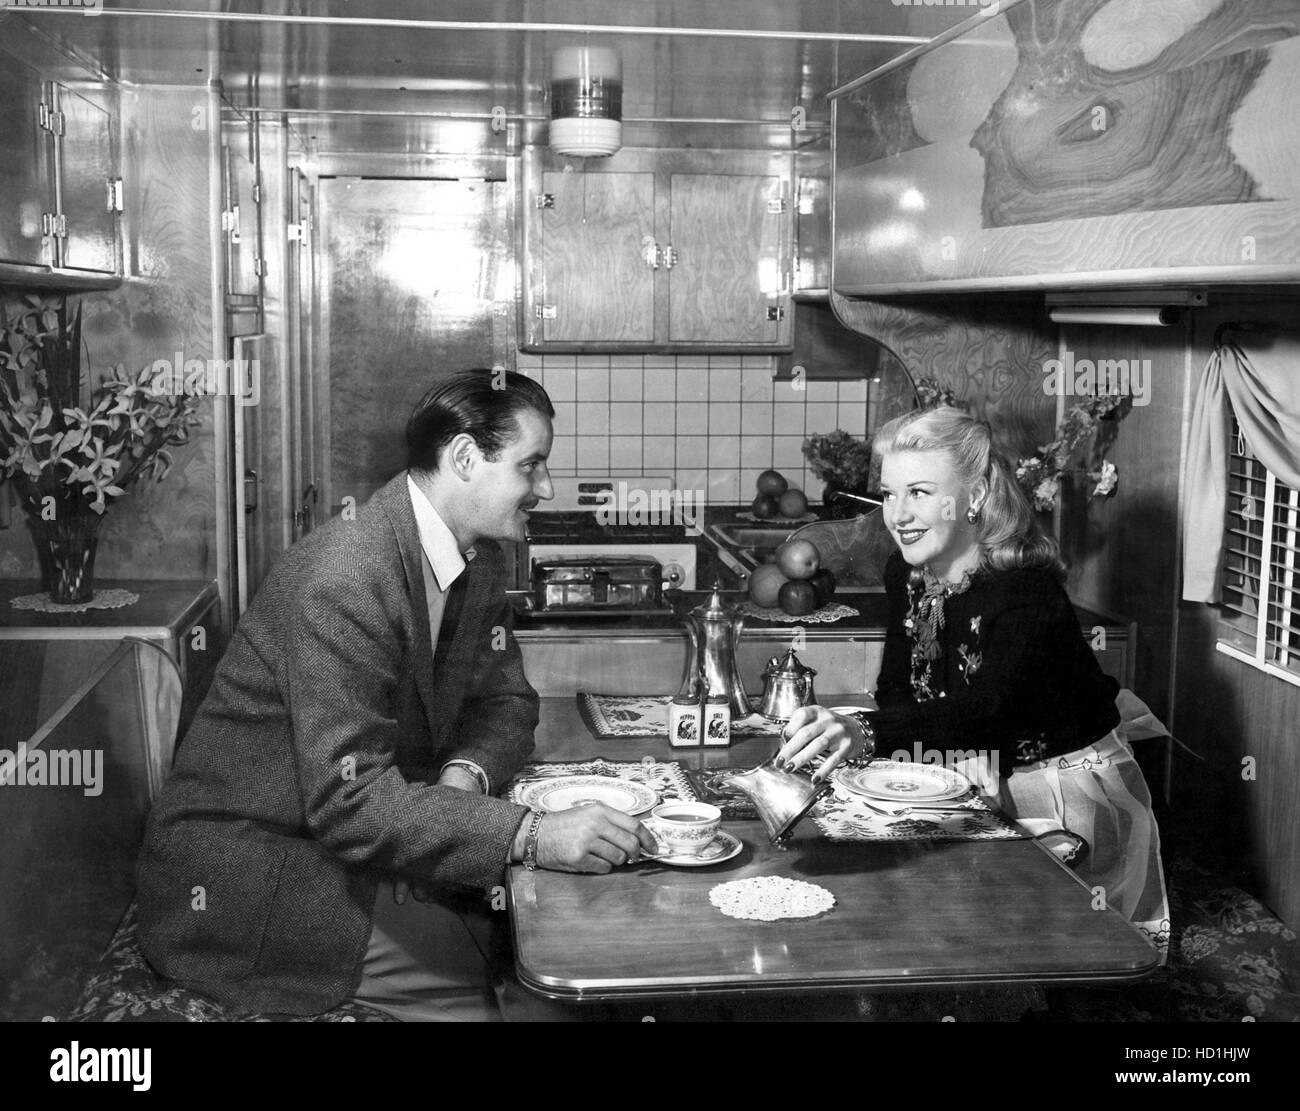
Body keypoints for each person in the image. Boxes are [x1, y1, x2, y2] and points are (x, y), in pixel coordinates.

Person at [137, 368, 656, 1021]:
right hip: (254, 870)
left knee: (552, 936)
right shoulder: (346, 578)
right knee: (510, 991)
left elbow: (507, 703)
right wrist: (530, 833)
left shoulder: (481, 555)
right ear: (466, 457)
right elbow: (350, 803)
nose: (545, 487)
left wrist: (464, 776)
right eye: (533, 466)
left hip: (355, 844)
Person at [776, 406, 1169, 953]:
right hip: (972, 770)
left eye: (919, 491)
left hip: (1061, 790)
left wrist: (866, 733)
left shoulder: (1025, 588)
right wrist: (877, 762)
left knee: (1008, 956)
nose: (899, 514)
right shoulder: (906, 570)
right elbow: (897, 687)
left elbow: (989, 709)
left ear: (976, 496)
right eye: (889, 494)